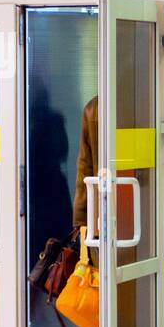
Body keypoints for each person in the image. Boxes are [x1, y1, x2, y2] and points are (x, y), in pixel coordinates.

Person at [72, 95, 98, 228]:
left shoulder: (94, 109)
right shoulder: (148, 106)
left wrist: (80, 223)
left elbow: (85, 170)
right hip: (150, 215)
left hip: (104, 216)